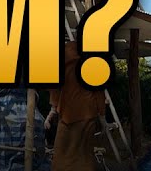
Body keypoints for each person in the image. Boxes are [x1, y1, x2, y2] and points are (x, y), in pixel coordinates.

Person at [46, 40, 107, 171]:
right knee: (83, 155)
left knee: (63, 156)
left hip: (68, 112)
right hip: (86, 112)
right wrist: (102, 116)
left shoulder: (64, 55)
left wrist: (53, 108)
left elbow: (55, 86)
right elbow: (99, 90)